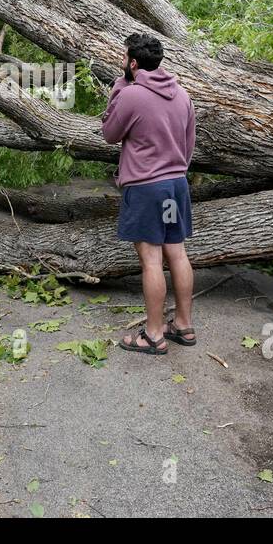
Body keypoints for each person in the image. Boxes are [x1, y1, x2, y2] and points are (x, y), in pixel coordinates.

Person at [100, 33, 197, 355]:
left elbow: (109, 134)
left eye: (123, 57)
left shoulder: (131, 95)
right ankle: (183, 324)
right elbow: (189, 143)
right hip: (175, 186)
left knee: (152, 261)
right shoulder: (182, 94)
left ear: (133, 63)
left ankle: (154, 334)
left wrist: (118, 89)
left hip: (146, 188)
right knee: (178, 254)